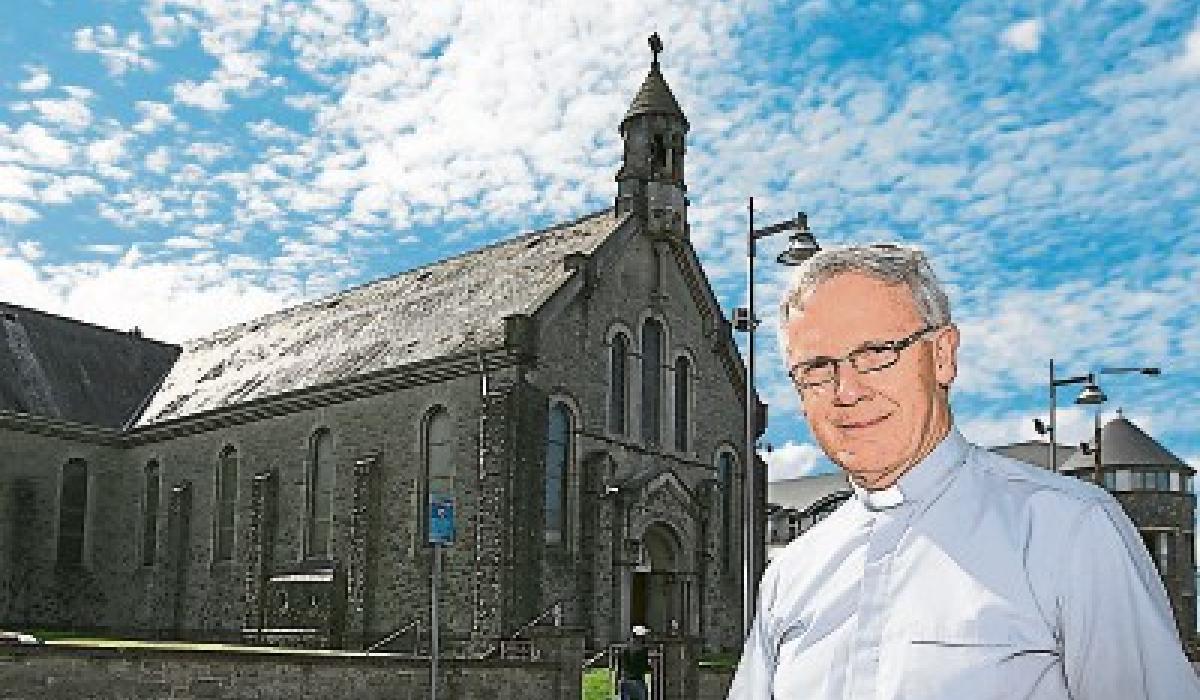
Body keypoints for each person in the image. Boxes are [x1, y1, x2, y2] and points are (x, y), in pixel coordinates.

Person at [728, 244, 1200, 699]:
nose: (846, 390)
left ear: (942, 355)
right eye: (816, 368)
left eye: (876, 354)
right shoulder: (791, 574)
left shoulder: (1070, 530)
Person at [619, 625, 651, 700]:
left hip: (626, 679)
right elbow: (642, 666)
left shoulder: (626, 648)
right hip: (636, 680)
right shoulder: (641, 650)